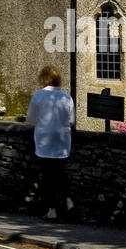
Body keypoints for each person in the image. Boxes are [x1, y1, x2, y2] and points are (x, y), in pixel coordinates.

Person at [26, 66, 76, 220]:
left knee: (47, 176)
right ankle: (68, 201)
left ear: (43, 78)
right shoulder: (66, 97)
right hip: (62, 140)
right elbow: (72, 121)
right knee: (60, 173)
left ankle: (52, 210)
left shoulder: (39, 96)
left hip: (44, 141)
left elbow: (31, 120)